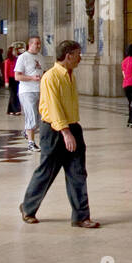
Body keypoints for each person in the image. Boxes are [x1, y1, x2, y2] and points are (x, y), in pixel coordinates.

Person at [18, 39, 99, 228]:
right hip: (54, 130)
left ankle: (81, 216)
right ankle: (28, 207)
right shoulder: (51, 77)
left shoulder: (71, 75)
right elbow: (53, 108)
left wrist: (72, 130)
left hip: (72, 126)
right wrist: (65, 132)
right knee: (47, 171)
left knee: (78, 172)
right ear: (68, 56)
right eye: (78, 54)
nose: (80, 58)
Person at [15, 36, 45, 151]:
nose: (38, 46)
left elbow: (44, 71)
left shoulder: (40, 57)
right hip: (27, 91)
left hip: (40, 90)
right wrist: (31, 77)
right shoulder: (23, 57)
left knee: (40, 117)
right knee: (31, 115)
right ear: (30, 44)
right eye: (36, 44)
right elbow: (17, 76)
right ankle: (31, 143)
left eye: (39, 44)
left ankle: (26, 131)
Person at [4, 44, 21, 116]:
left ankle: (10, 110)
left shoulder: (16, 59)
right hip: (10, 79)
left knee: (14, 94)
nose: (15, 52)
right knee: (13, 95)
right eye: (14, 51)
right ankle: (15, 110)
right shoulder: (7, 61)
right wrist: (6, 81)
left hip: (16, 78)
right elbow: (6, 72)